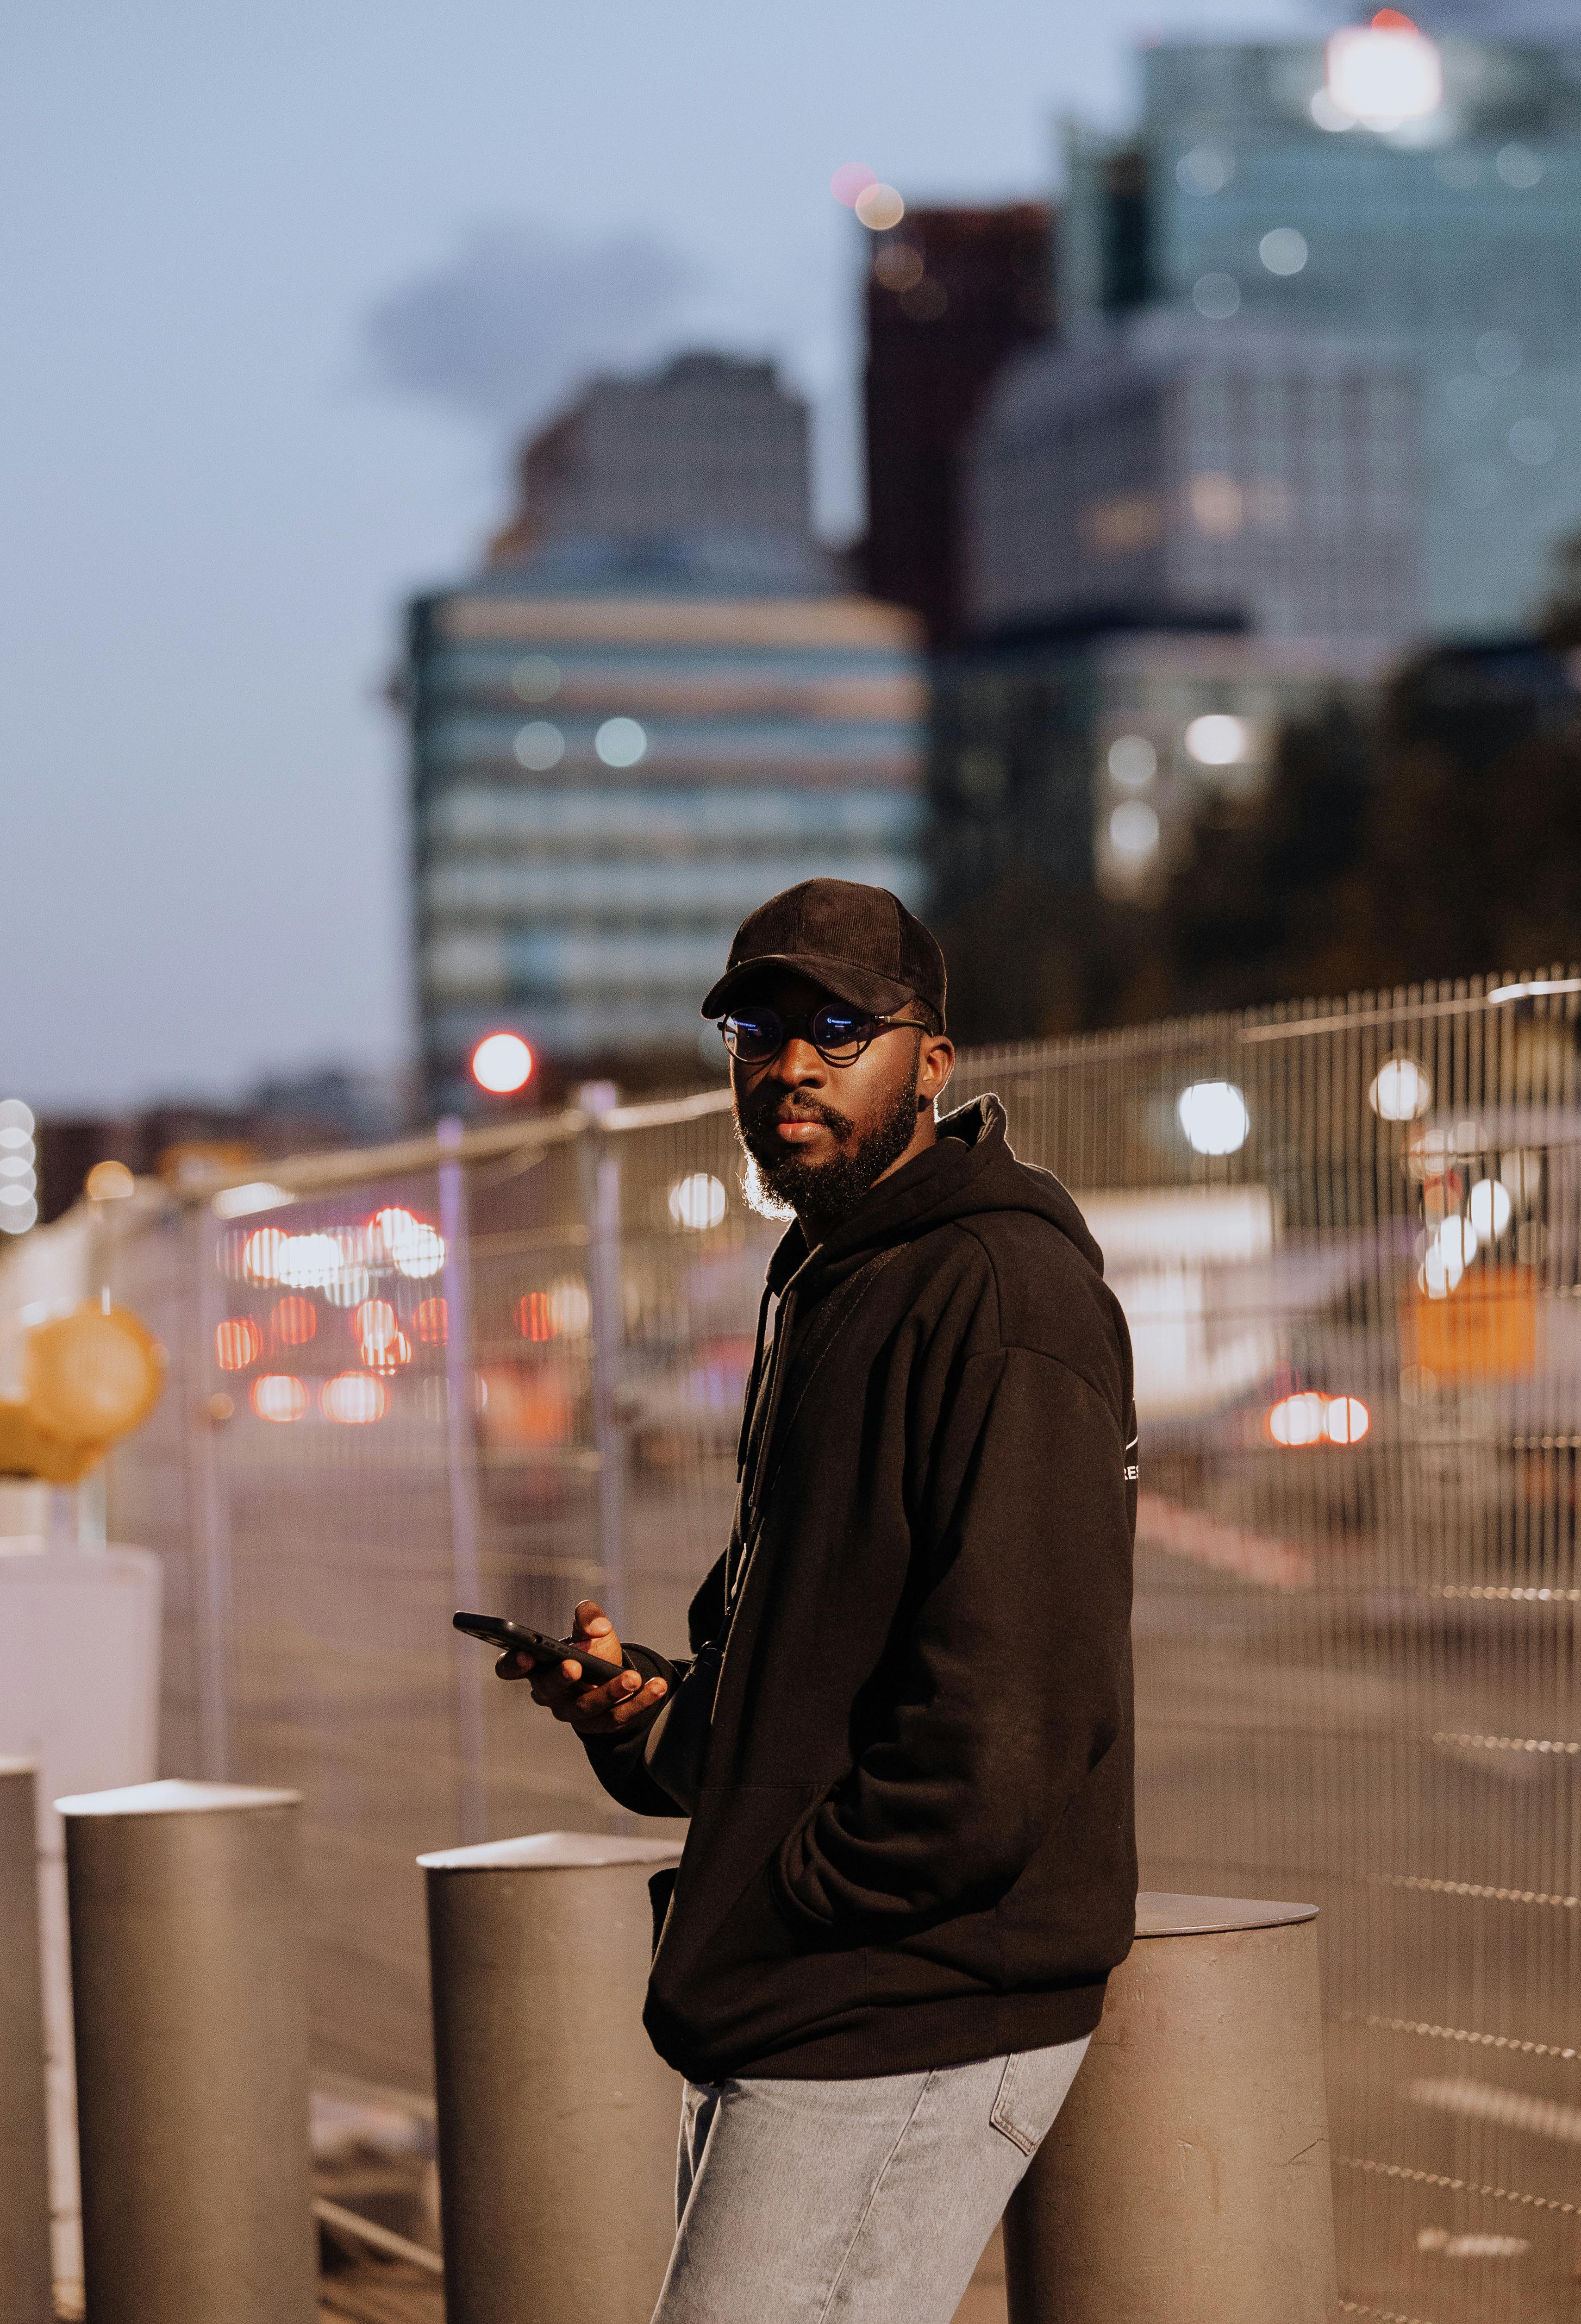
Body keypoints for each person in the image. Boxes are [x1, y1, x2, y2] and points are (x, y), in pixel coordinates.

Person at [500, 877, 1138, 2323]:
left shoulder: (1003, 1296)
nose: (790, 1064)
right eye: (756, 1030)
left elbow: (1006, 1730)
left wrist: (789, 1895)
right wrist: (651, 1716)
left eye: (840, 1029)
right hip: (811, 1995)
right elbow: (799, 1655)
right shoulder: (832, 1278)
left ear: (932, 1061)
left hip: (896, 2000)